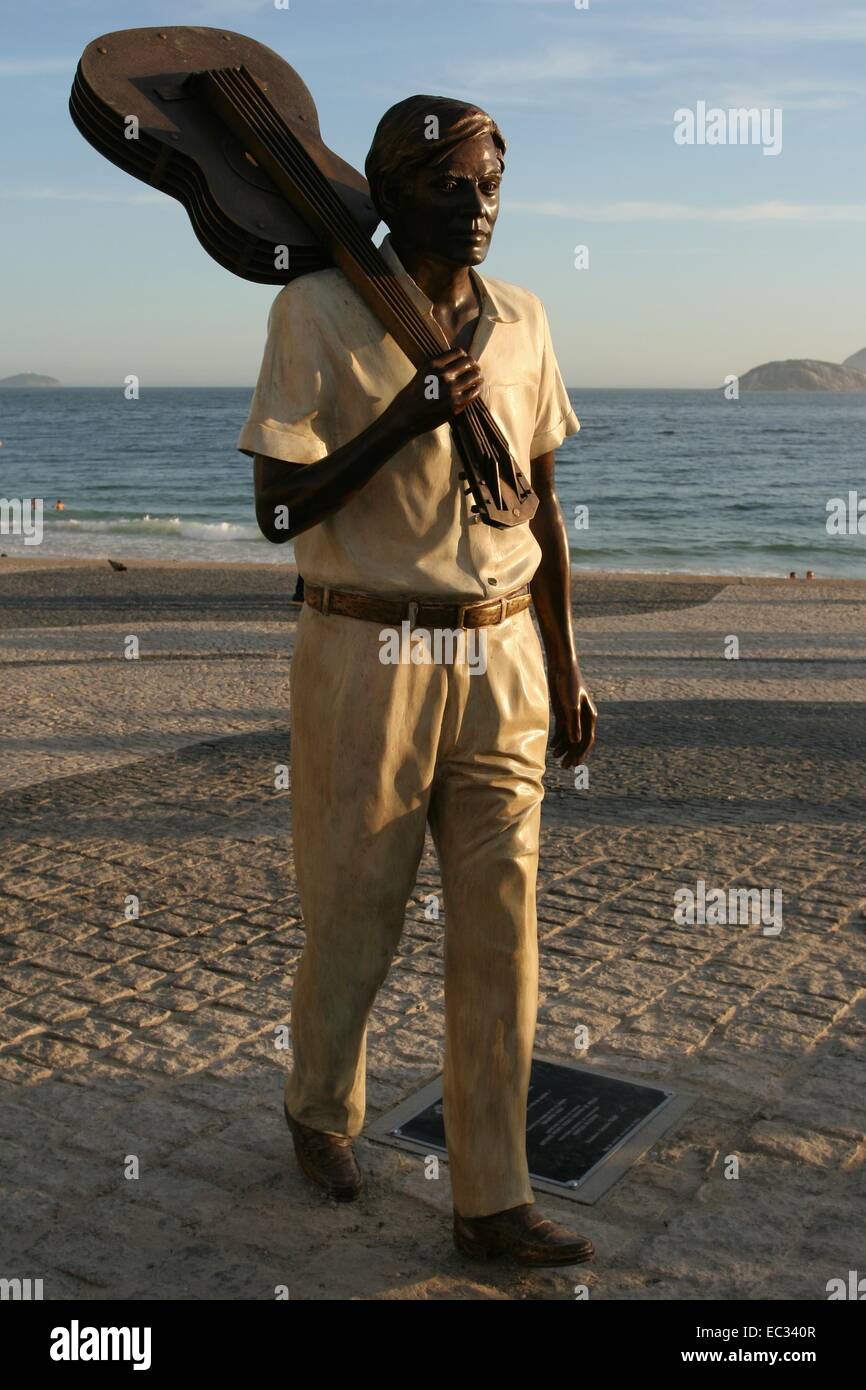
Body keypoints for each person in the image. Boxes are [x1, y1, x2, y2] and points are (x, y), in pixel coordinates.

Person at [238, 95, 598, 1267]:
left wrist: (567, 664)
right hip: (367, 646)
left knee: (503, 924)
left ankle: (490, 1195)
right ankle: (319, 1103)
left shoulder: (525, 321)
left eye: (490, 182)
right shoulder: (316, 310)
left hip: (499, 652)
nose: (478, 204)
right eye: (450, 184)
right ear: (390, 192)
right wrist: (406, 418)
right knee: (354, 906)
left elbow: (540, 505)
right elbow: (276, 510)